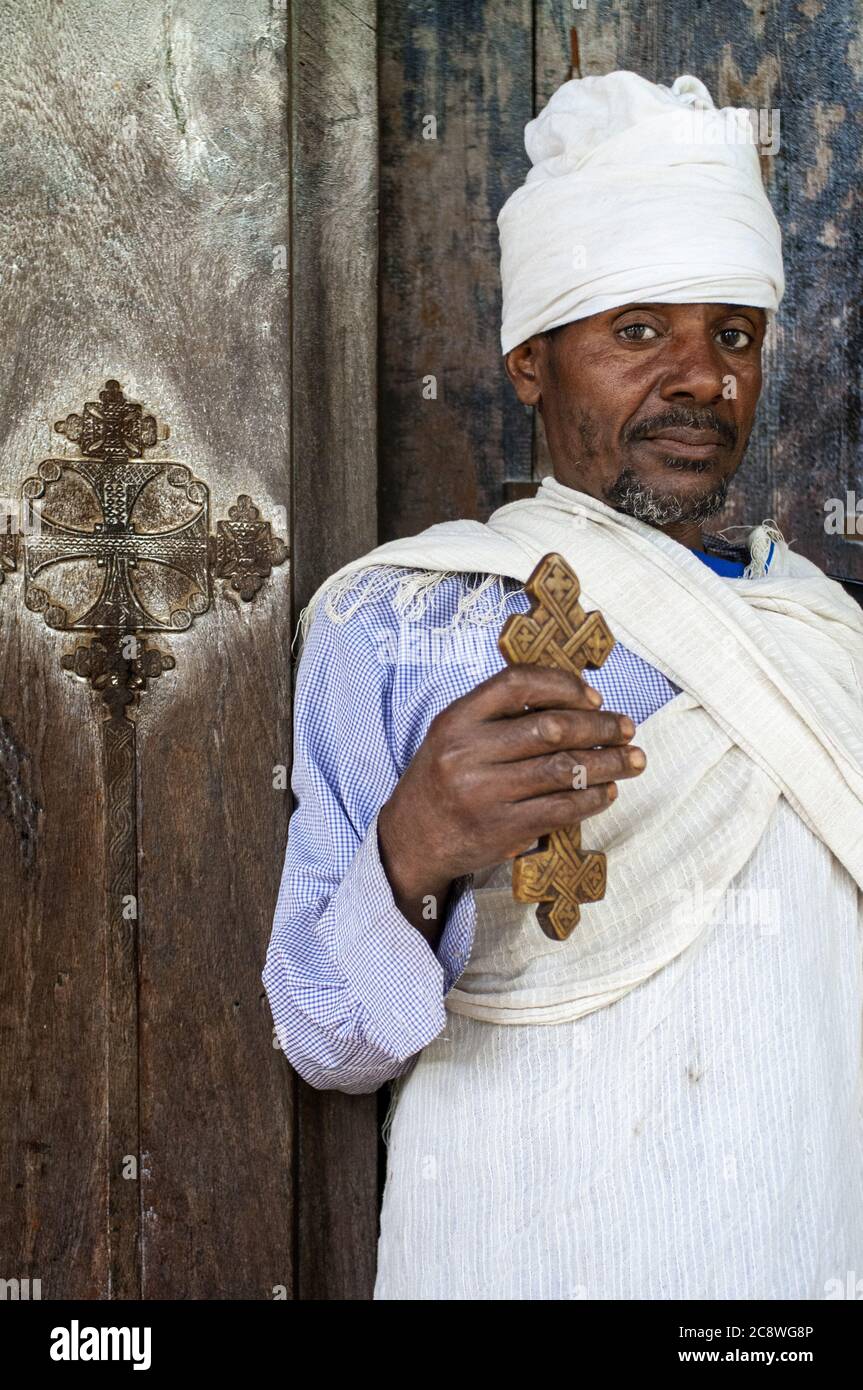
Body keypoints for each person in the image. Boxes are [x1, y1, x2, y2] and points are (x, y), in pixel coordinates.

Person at [263, 70, 863, 1299]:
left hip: (804, 1237)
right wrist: (411, 848)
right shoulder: (402, 619)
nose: (702, 377)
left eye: (732, 334)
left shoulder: (821, 635)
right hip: (533, 1232)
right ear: (529, 362)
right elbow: (325, 1038)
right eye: (637, 331)